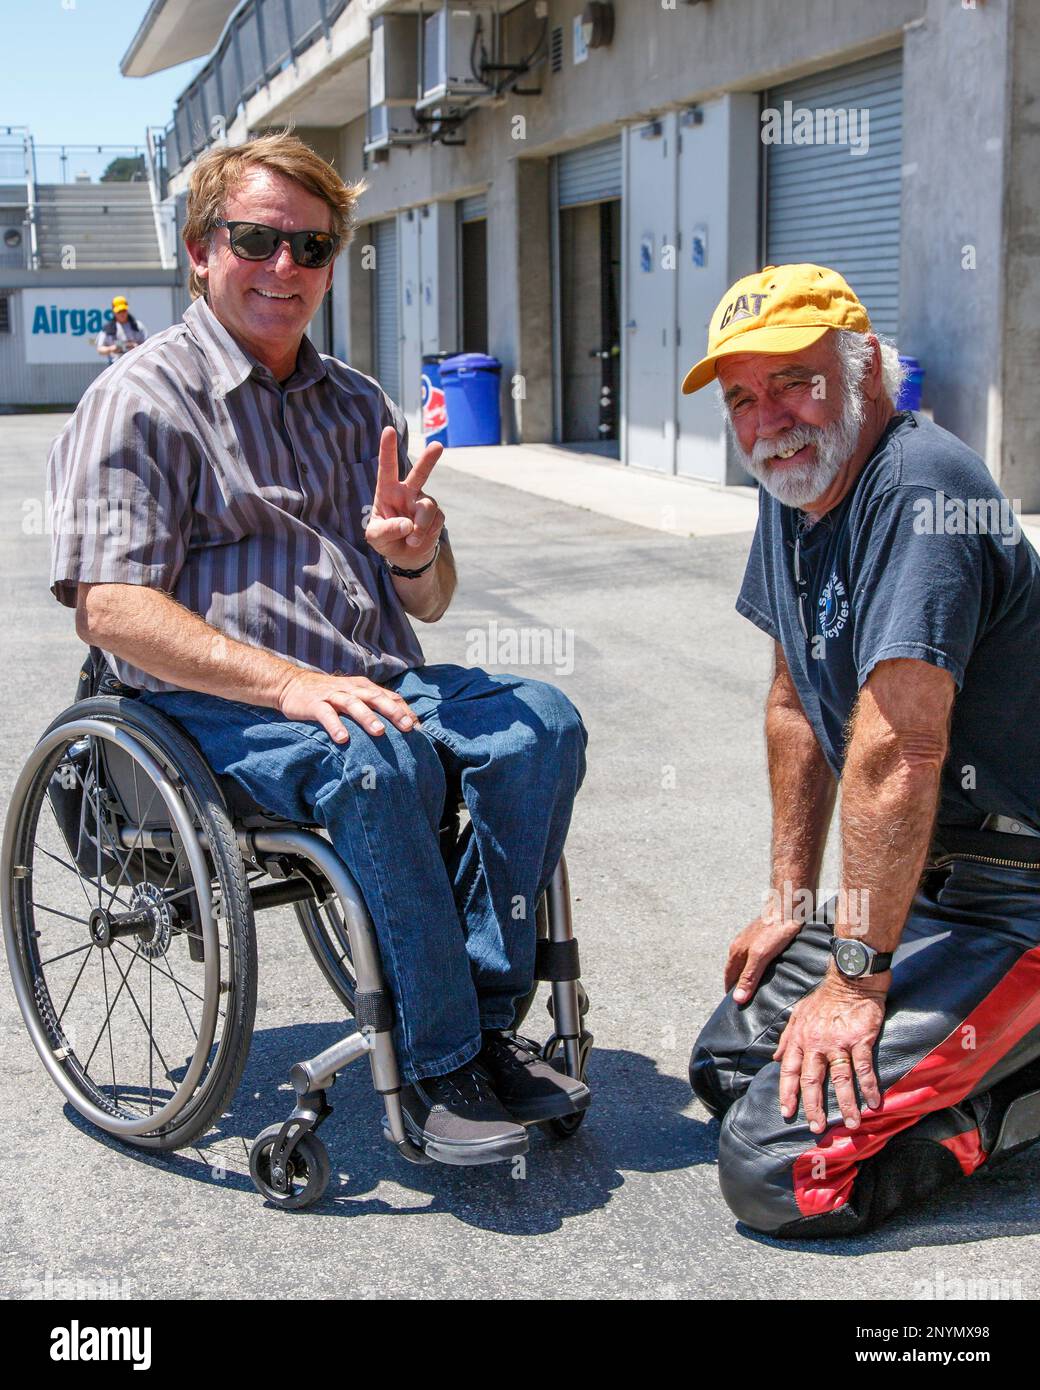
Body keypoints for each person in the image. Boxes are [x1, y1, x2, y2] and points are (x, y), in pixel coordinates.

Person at [48, 133, 589, 1168]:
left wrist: (415, 554)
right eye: (256, 239)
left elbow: (427, 602)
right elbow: (112, 611)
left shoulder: (352, 404)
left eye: (312, 245)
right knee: (374, 755)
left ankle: (479, 1020)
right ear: (204, 249)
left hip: (363, 679)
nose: (284, 267)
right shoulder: (143, 401)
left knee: (538, 727)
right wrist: (292, 684)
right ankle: (438, 1071)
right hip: (207, 709)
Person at [684, 263, 1040, 1237]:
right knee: (727, 1066)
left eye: (795, 379)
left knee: (777, 1171)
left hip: (1013, 888)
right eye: (742, 398)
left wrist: (853, 979)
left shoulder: (919, 488)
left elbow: (898, 753)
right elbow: (794, 699)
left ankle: (992, 1109)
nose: (768, 419)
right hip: (922, 878)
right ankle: (990, 1046)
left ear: (867, 370)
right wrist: (789, 898)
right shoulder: (792, 486)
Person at [96, 296, 147, 363]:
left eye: (124, 310)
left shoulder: (137, 326)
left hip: (135, 364)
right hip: (115, 365)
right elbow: (100, 349)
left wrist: (136, 346)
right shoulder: (108, 328)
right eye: (119, 311)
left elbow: (147, 344)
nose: (122, 314)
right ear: (114, 312)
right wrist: (112, 348)